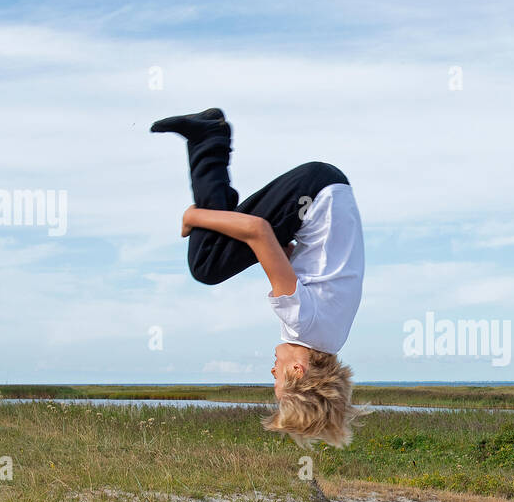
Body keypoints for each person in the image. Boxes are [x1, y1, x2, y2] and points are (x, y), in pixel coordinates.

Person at [151, 107, 366, 447]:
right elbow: (258, 230)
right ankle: (209, 137)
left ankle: (209, 140)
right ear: (298, 371)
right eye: (277, 381)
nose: (271, 372)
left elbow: (311, 262)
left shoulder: (331, 337)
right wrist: (196, 217)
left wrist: (276, 249)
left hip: (328, 190)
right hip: (314, 193)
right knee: (206, 264)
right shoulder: (300, 323)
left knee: (219, 251)